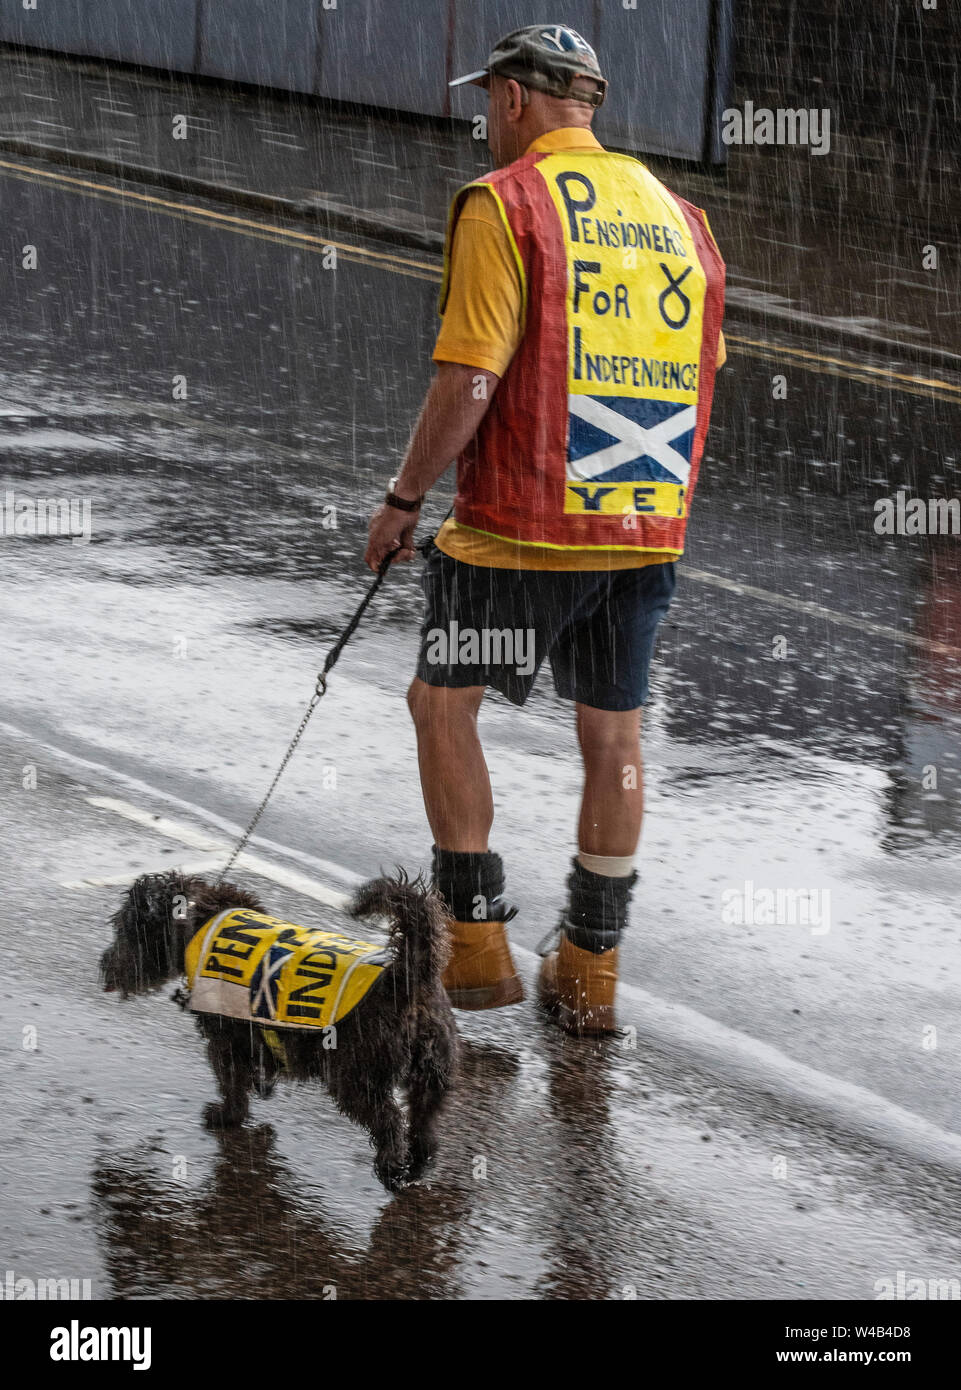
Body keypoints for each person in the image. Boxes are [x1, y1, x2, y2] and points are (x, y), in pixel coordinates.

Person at [365, 24, 725, 1034]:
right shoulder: (679, 215)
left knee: (442, 706)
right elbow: (703, 369)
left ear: (516, 101)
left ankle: (473, 939)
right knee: (612, 734)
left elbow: (470, 374)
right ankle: (590, 966)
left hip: (521, 526)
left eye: (490, 102)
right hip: (645, 524)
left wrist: (403, 500)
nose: (487, 119)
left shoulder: (506, 202)